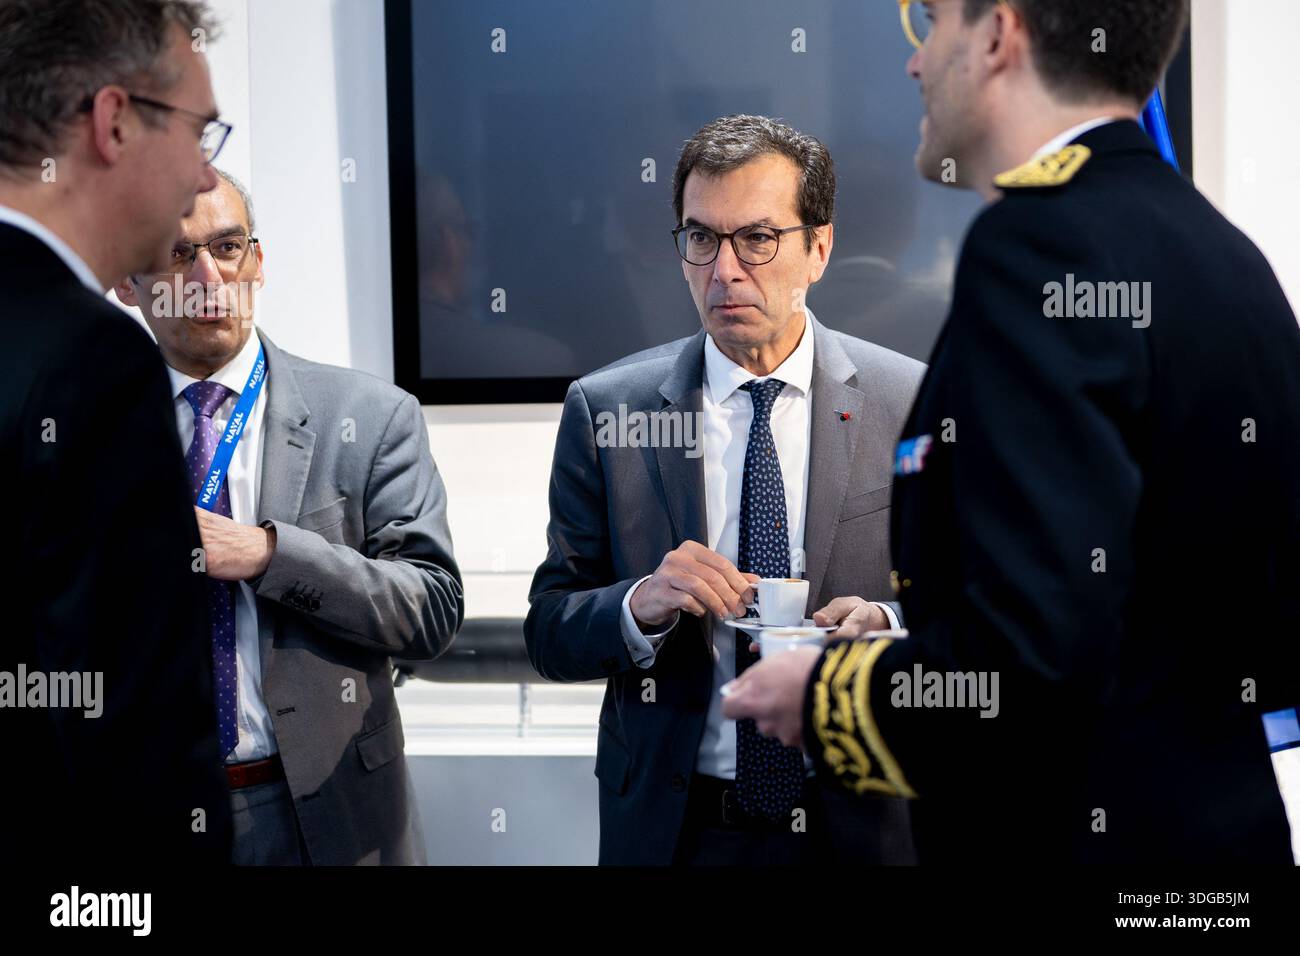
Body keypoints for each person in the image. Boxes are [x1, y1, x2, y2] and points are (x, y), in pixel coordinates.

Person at [724, 0, 1300, 863]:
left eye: (935, 23)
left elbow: (1027, 666)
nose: (916, 64)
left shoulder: (1038, 247)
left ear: (998, 33)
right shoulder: (1221, 252)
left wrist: (823, 692)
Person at [526, 115, 924, 865]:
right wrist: (639, 603)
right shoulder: (610, 410)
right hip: (679, 828)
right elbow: (549, 632)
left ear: (819, 249)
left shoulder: (910, 402)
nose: (725, 270)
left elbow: (974, 611)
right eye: (701, 238)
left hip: (859, 822)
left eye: (758, 239)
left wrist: (886, 619)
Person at [115, 170, 465, 864]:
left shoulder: (368, 417)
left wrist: (270, 555)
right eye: (178, 254)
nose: (209, 277)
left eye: (228, 247)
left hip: (320, 812)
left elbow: (431, 611)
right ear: (127, 283)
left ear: (259, 262)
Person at [0, 0, 233, 863]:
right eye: (201, 133)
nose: (206, 178)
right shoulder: (94, 361)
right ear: (114, 122)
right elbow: (133, 731)